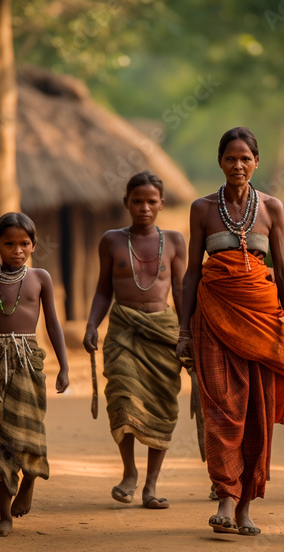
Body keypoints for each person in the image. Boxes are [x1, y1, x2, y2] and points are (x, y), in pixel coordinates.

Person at [176, 126, 284, 537]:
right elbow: (191, 273)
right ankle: (225, 499)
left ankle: (246, 505)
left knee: (257, 414)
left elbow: (283, 271)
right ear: (220, 162)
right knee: (221, 410)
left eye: (245, 158)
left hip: (265, 324)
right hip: (214, 321)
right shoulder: (202, 208)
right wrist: (183, 331)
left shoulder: (272, 208)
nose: (238, 165)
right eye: (230, 158)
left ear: (256, 162)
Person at [0, 212, 70, 537]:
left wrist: (64, 365)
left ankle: (30, 479)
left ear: (33, 245)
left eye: (24, 243)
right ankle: (4, 516)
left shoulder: (41, 278)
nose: (17, 250)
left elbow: (53, 324)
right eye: (9, 244)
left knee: (31, 430)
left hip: (28, 362)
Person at [83, 170, 188, 510]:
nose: (144, 207)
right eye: (137, 201)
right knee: (123, 398)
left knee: (161, 406)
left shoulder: (174, 241)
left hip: (163, 333)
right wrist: (91, 325)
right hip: (123, 329)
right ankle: (129, 473)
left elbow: (182, 292)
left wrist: (188, 334)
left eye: (151, 201)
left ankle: (151, 485)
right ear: (126, 202)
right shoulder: (111, 241)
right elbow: (103, 290)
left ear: (162, 204)